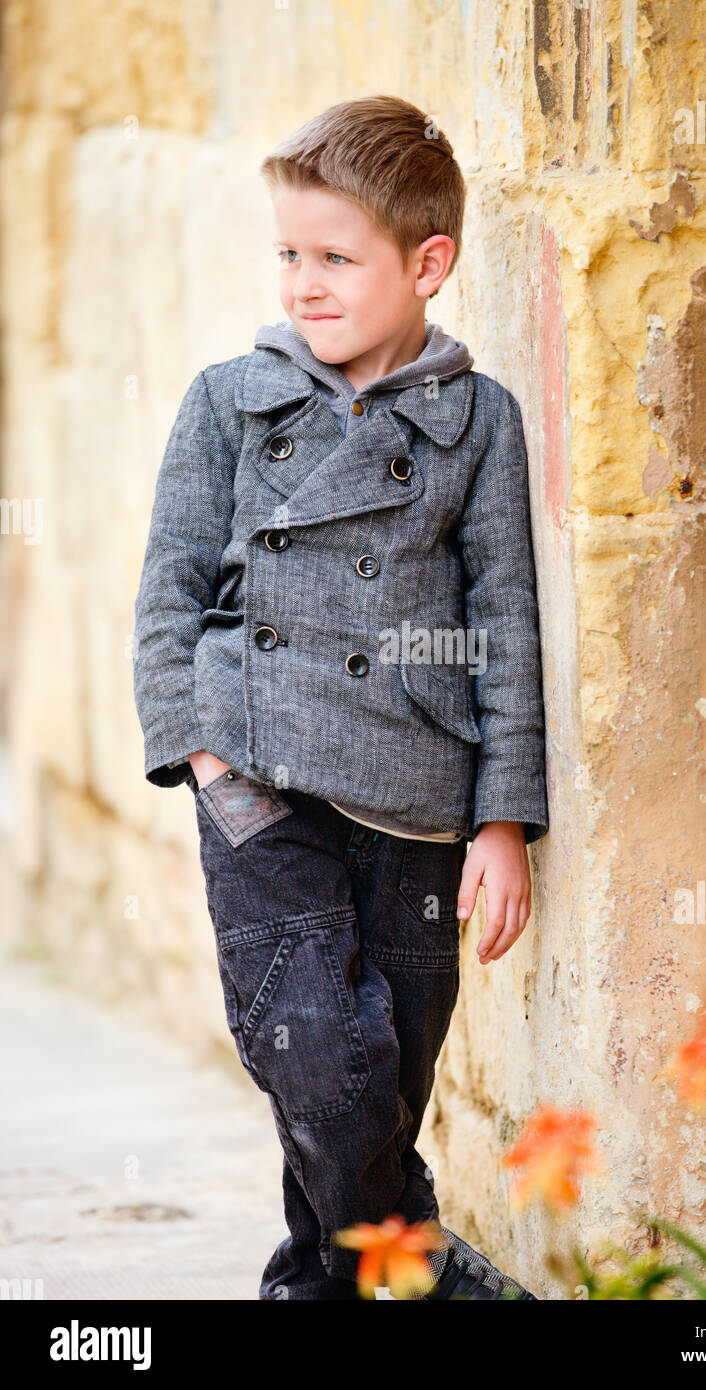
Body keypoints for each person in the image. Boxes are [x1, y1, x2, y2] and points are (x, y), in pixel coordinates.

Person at [132, 94, 549, 1301]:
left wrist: (502, 818)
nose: (302, 285)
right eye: (288, 255)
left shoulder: (476, 420)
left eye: (335, 258)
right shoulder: (227, 400)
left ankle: (322, 1284)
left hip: (415, 801)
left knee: (373, 1085)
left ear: (428, 263)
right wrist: (203, 758)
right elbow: (166, 593)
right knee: (313, 1046)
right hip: (256, 780)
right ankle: (424, 1268)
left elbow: (504, 623)